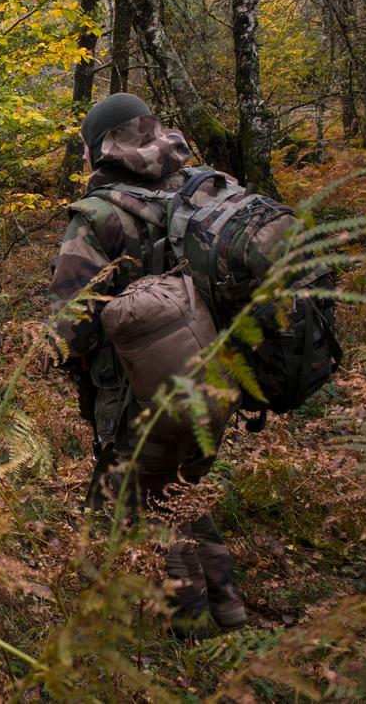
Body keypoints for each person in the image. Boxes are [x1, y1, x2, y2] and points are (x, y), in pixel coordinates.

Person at [48, 92, 246, 637]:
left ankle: (195, 635)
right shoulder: (202, 188)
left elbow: (69, 328)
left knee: (153, 508)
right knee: (182, 493)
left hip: (139, 396)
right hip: (216, 378)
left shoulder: (100, 214)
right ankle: (227, 612)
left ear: (98, 150)